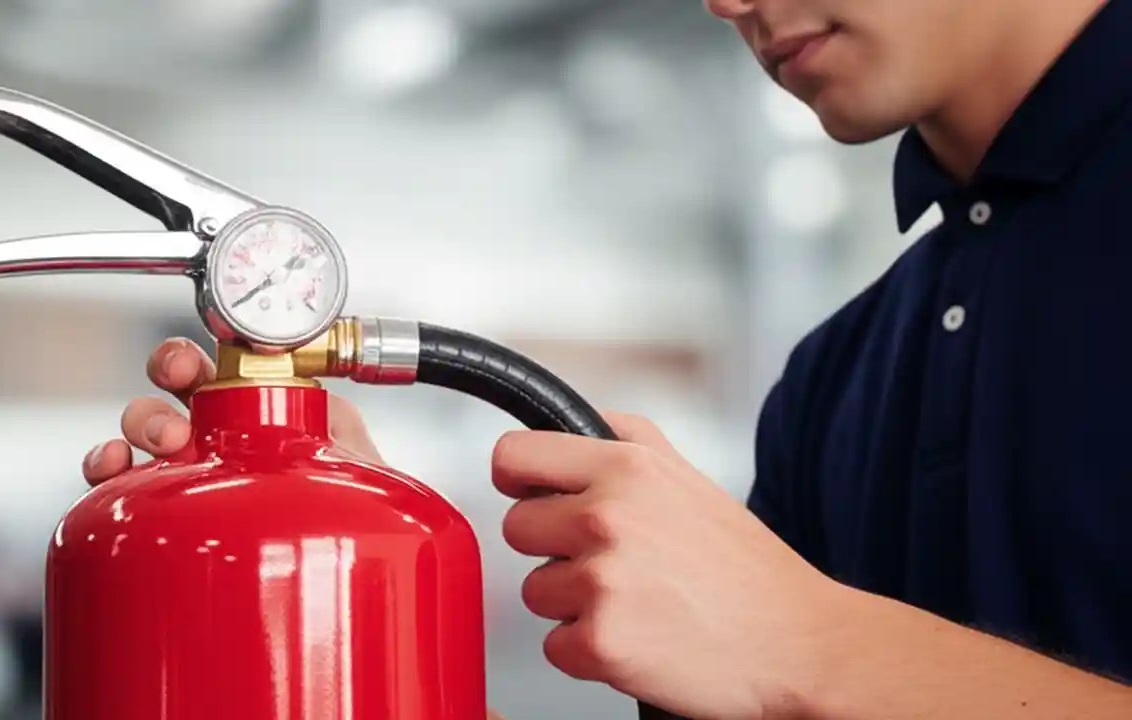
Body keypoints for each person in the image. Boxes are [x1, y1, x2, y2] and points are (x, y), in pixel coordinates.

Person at [81, 0, 1132, 716]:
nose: (725, 3)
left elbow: (799, 661)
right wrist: (368, 618)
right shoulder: (835, 374)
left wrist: (811, 646)